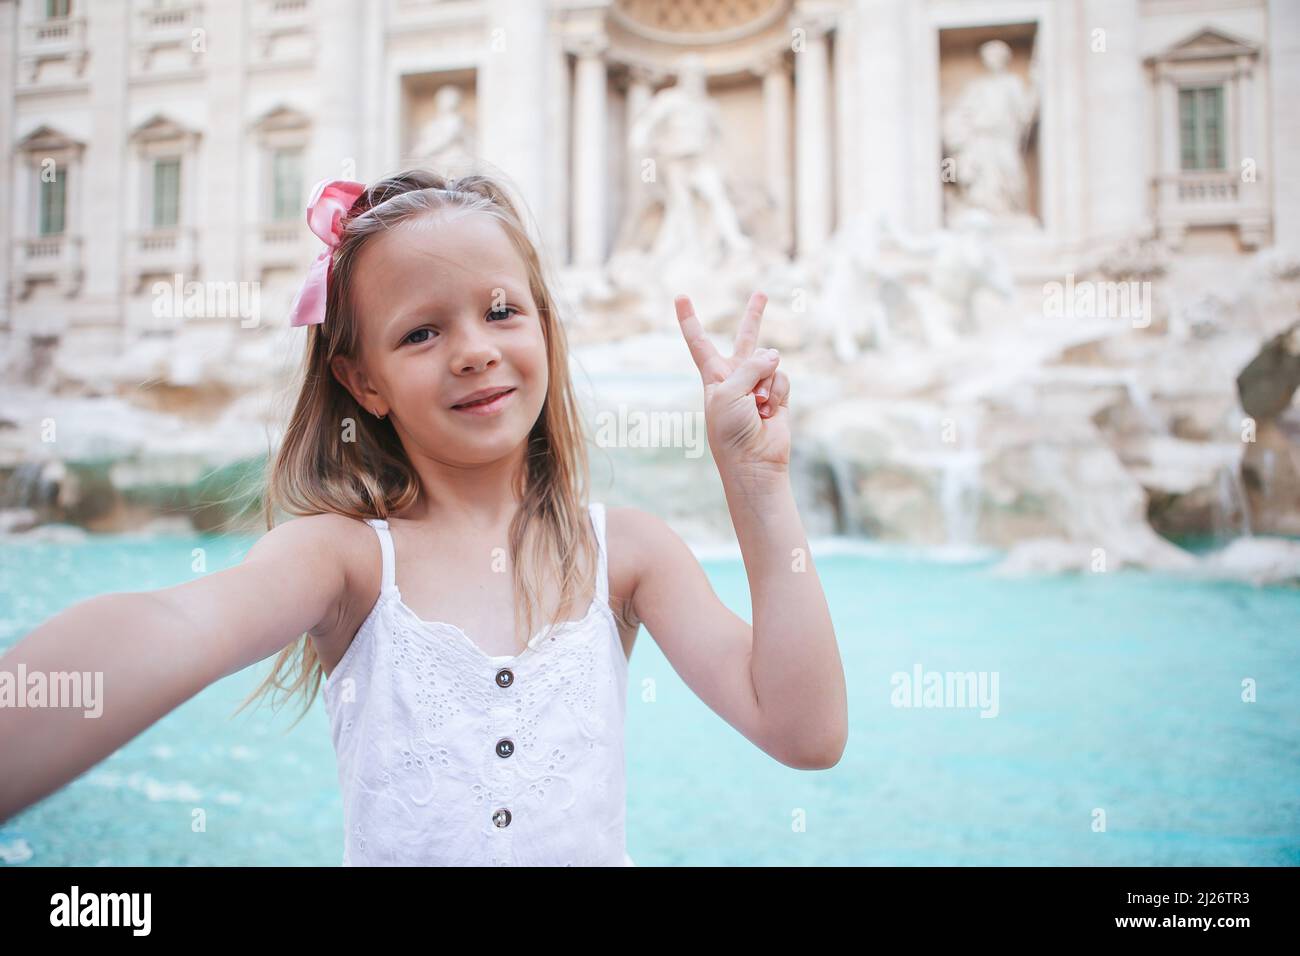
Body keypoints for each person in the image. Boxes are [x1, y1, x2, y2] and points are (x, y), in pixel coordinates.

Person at [0, 168, 847, 865]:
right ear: (362, 382)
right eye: (420, 334)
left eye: (501, 311)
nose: (474, 348)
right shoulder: (344, 561)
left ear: (545, 329)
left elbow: (804, 730)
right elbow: (169, 622)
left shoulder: (626, 551)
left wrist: (756, 482)